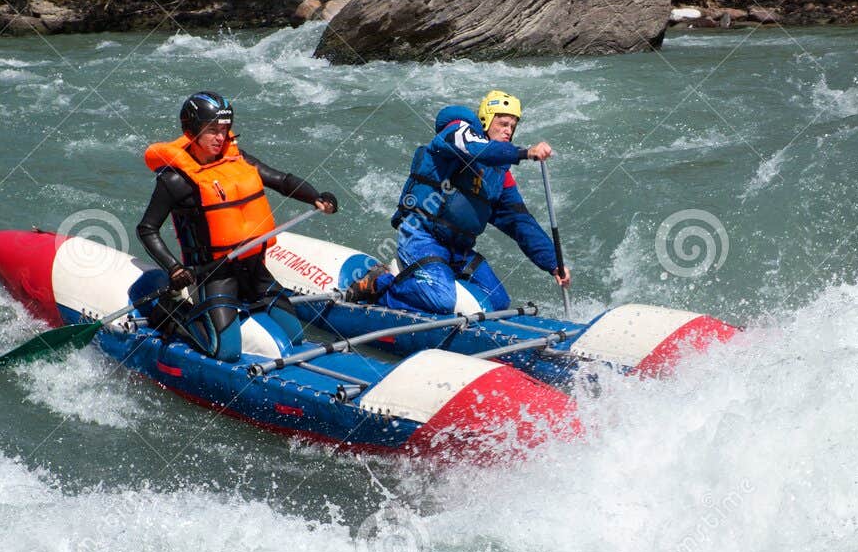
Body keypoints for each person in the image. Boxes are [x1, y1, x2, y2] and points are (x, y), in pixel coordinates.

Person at [136, 91, 337, 361]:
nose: (220, 138)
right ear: (192, 131)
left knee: (295, 336)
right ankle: (174, 312)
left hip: (253, 270)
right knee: (225, 351)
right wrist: (174, 268)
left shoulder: (238, 159)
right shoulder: (175, 180)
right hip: (214, 276)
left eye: (224, 129)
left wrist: (316, 197)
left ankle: (241, 310)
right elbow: (147, 229)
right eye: (212, 130)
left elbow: (281, 180)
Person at [345, 90, 569, 313]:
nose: (508, 131)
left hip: (459, 250)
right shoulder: (458, 131)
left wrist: (553, 263)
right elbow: (477, 148)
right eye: (502, 123)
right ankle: (379, 284)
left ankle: (434, 289)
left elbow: (519, 221)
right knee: (441, 299)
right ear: (486, 121)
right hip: (422, 236)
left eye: (512, 126)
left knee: (499, 302)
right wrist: (524, 153)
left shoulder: (500, 174)